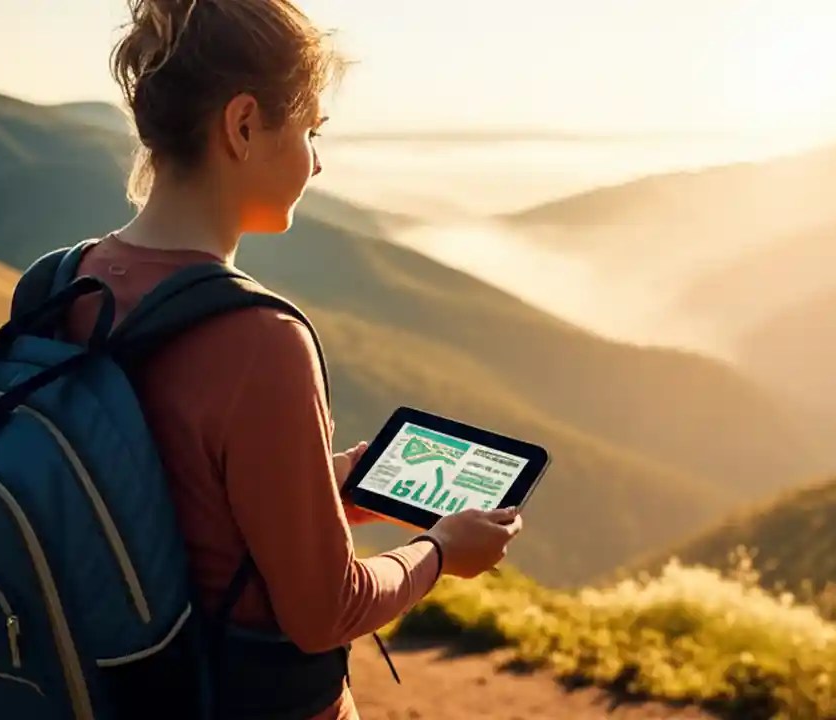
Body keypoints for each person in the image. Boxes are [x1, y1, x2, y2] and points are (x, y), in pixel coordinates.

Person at [63, 1, 525, 718]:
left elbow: (158, 498)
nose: (318, 158)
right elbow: (325, 612)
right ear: (244, 125)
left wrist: (323, 488)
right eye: (311, 129)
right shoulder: (259, 341)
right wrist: (440, 549)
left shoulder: (67, 283)